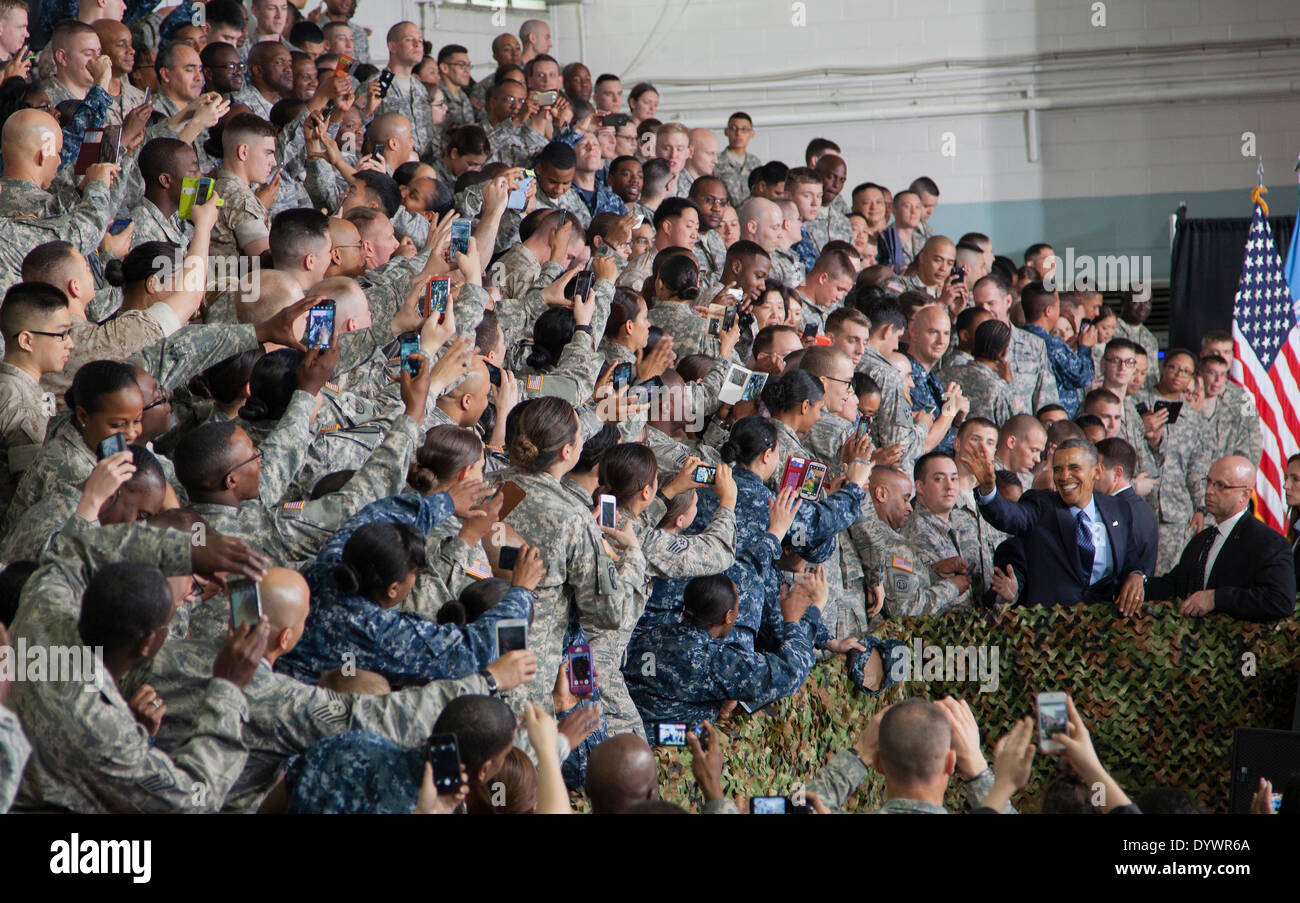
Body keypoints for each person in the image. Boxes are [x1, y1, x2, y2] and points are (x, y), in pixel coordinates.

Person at [963, 437, 1149, 611]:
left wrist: (1136, 573)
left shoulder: (1117, 508)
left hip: (1102, 629)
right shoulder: (1040, 506)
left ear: (1097, 471)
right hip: (1050, 631)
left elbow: (1130, 555)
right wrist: (989, 490)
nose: (1064, 476)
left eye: (1074, 468)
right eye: (1058, 469)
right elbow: (1009, 516)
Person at [1145, 456, 1296, 622]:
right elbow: (1175, 585)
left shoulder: (1268, 542)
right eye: (1209, 481)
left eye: (1220, 486)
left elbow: (1280, 601)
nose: (1209, 490)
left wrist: (1216, 598)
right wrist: (1139, 582)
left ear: (1245, 495)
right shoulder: (1202, 539)